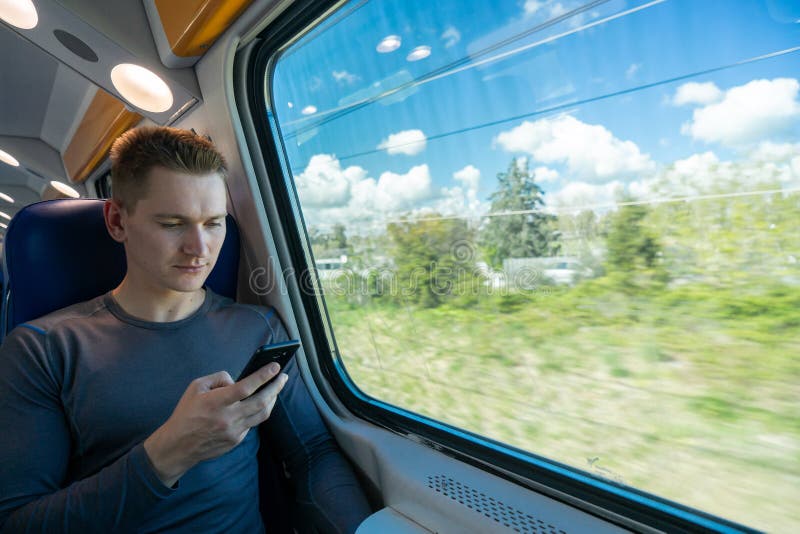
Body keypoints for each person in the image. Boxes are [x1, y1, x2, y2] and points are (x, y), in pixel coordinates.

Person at [0, 127, 371, 533]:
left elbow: (312, 456)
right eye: (173, 223)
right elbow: (18, 523)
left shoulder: (257, 327)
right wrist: (167, 455)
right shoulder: (43, 349)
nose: (200, 248)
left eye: (213, 223)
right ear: (117, 221)